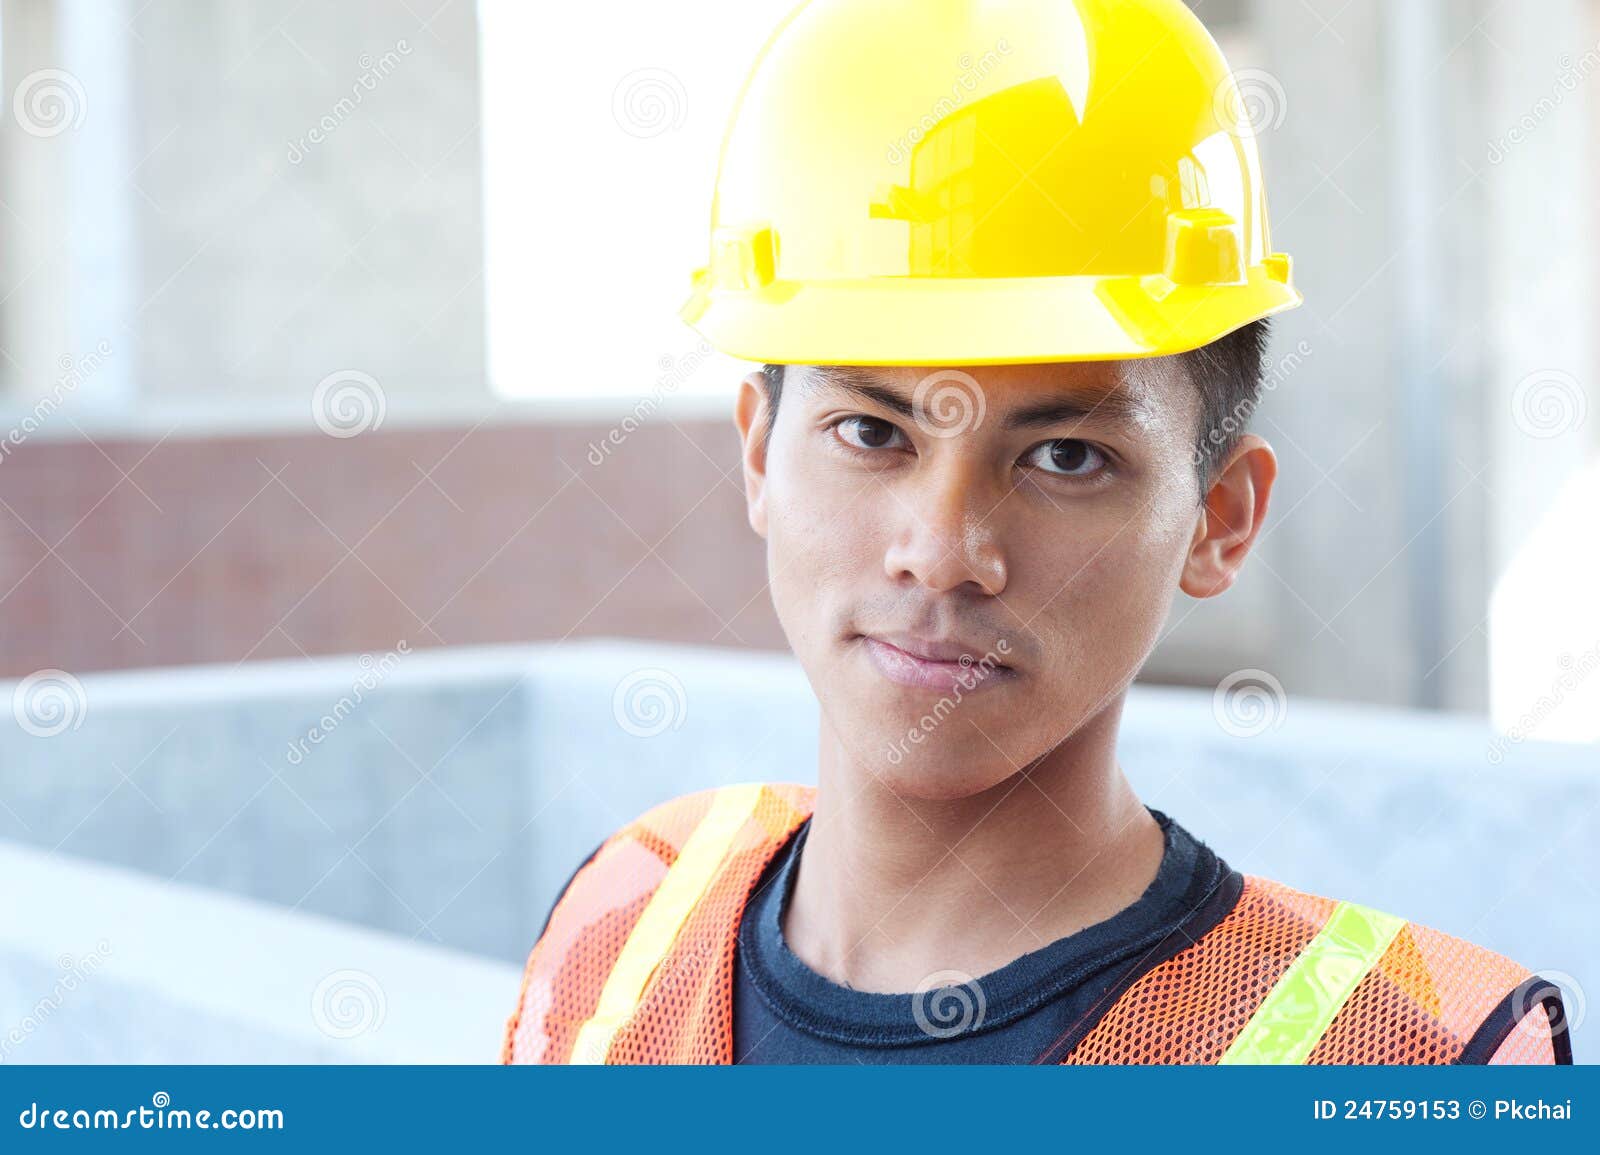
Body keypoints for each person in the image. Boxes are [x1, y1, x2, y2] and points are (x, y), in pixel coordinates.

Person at [504, 0, 1572, 1064]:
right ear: (758, 455)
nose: (942, 550)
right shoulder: (630, 923)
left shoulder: (1411, 1060)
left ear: (1220, 519)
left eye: (1065, 457)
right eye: (872, 431)